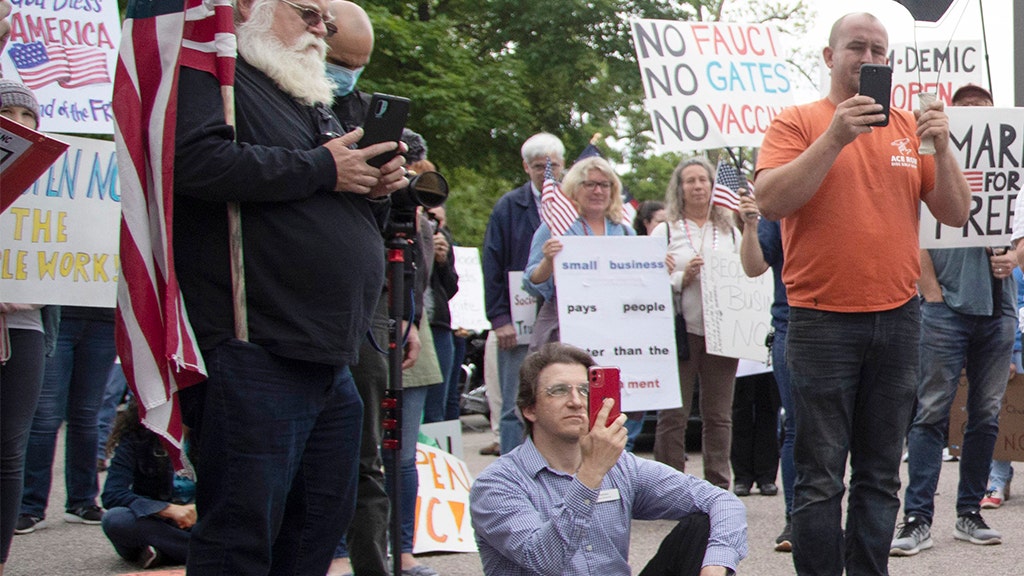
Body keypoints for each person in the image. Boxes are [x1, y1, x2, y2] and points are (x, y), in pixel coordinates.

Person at [170, 0, 408, 572]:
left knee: (316, 530)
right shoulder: (214, 74)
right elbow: (192, 161)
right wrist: (323, 169)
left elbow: (331, 203)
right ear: (249, 6)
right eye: (307, 13)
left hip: (330, 354)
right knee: (241, 533)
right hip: (256, 346)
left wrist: (372, 189)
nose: (320, 30)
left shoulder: (307, 96)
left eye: (327, 22)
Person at [753, 12, 971, 575]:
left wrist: (942, 146)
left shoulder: (907, 127)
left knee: (879, 475)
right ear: (830, 57)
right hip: (820, 320)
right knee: (821, 477)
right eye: (857, 47)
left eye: (879, 50)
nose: (870, 59)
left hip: (897, 318)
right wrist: (834, 138)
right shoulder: (798, 121)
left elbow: (955, 212)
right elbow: (771, 200)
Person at [469, 342, 747, 576]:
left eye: (585, 390)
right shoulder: (497, 484)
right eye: (559, 391)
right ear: (529, 409)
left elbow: (721, 501)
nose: (576, 401)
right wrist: (590, 474)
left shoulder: (621, 465)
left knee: (702, 525)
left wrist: (716, 564)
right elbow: (544, 560)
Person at [890, 82, 1013, 556]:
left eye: (984, 109)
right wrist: (931, 292)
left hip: (999, 306)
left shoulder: (1009, 164)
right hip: (945, 307)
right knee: (931, 413)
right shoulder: (927, 158)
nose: (977, 115)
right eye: (967, 110)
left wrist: (1015, 257)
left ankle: (969, 512)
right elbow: (911, 224)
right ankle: (917, 518)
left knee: (985, 415)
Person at [323, 4, 395, 574]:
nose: (347, 76)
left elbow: (379, 221)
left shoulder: (364, 114)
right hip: (293, 311)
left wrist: (384, 187)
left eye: (357, 67)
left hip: (363, 312)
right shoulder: (271, 103)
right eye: (339, 63)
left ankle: (374, 565)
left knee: (366, 456)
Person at [650, 157, 741, 489]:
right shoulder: (665, 230)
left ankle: (718, 488)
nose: (698, 186)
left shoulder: (730, 230)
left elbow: (746, 274)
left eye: (703, 179)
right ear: (680, 188)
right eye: (690, 180)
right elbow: (646, 282)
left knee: (719, 416)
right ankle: (668, 487)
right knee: (673, 415)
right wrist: (680, 278)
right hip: (681, 333)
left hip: (722, 333)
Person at [0, 78, 58, 576]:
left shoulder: (59, 182)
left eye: (27, 118)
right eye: (8, 115)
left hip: (25, 326)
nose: (19, 125)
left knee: (8, 449)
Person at [483, 132, 565, 454]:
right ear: (526, 167)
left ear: (564, 165)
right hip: (516, 318)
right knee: (515, 402)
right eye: (539, 166)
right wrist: (499, 318)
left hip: (559, 315)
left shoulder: (572, 204)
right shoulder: (508, 206)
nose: (547, 172)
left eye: (553, 165)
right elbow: (492, 263)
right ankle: (510, 471)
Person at [17, 305, 117, 533]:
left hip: (104, 316)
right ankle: (30, 506)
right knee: (45, 418)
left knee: (87, 416)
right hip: (57, 315)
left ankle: (83, 501)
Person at [523, 155, 635, 350]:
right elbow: (530, 283)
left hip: (615, 325)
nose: (598, 191)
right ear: (574, 188)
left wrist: (659, 267)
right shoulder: (555, 226)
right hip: (563, 324)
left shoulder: (625, 231)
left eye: (604, 185)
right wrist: (548, 261)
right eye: (589, 184)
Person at [737, 192, 794, 552]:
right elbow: (754, 265)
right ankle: (797, 519)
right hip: (795, 323)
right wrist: (750, 225)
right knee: (798, 427)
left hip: (854, 319)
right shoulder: (781, 198)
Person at [100, 399, 194, 569]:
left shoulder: (214, 436)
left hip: (200, 520)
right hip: (158, 521)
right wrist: (167, 509)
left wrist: (199, 509)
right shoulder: (138, 436)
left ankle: (165, 552)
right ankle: (203, 551)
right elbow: (113, 494)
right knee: (116, 519)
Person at [624, 200, 666, 451]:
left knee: (637, 403)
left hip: (651, 335)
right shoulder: (631, 245)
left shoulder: (669, 251)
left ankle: (625, 449)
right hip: (623, 332)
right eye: (659, 221)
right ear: (646, 223)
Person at [423, 203, 460, 424]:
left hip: (438, 325)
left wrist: (442, 262)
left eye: (437, 220)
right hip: (408, 325)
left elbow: (451, 289)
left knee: (436, 408)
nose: (432, 224)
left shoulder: (442, 239)